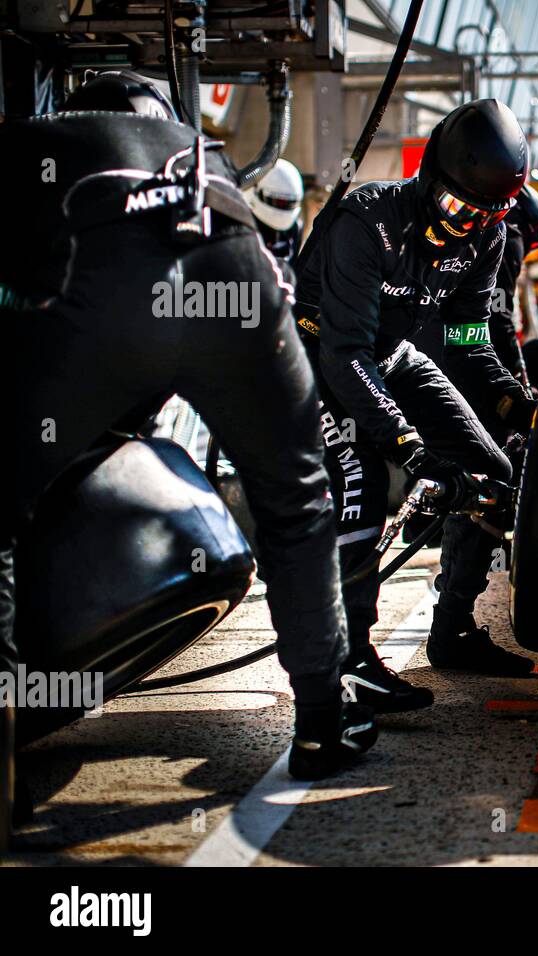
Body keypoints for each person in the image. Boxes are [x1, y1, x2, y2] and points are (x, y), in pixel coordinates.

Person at [0, 75, 373, 781]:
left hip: (93, 271)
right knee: (296, 503)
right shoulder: (202, 156)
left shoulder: (36, 147)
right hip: (228, 264)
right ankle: (325, 723)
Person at [293, 98, 538, 691]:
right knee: (363, 480)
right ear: (430, 179)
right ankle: (346, 661)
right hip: (314, 358)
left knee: (490, 468)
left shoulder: (486, 236)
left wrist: (523, 406)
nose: (466, 224)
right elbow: (345, 353)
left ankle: (453, 630)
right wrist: (410, 448)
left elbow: (467, 341)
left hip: (392, 355)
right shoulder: (367, 221)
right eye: (457, 206)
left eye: (486, 214)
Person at [488, 183, 538, 387]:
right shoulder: (510, 235)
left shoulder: (487, 224)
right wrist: (517, 377)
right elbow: (498, 315)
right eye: (533, 243)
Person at [244, 157, 304, 266]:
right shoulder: (240, 227)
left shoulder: (294, 230)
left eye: (289, 204)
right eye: (277, 202)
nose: (282, 208)